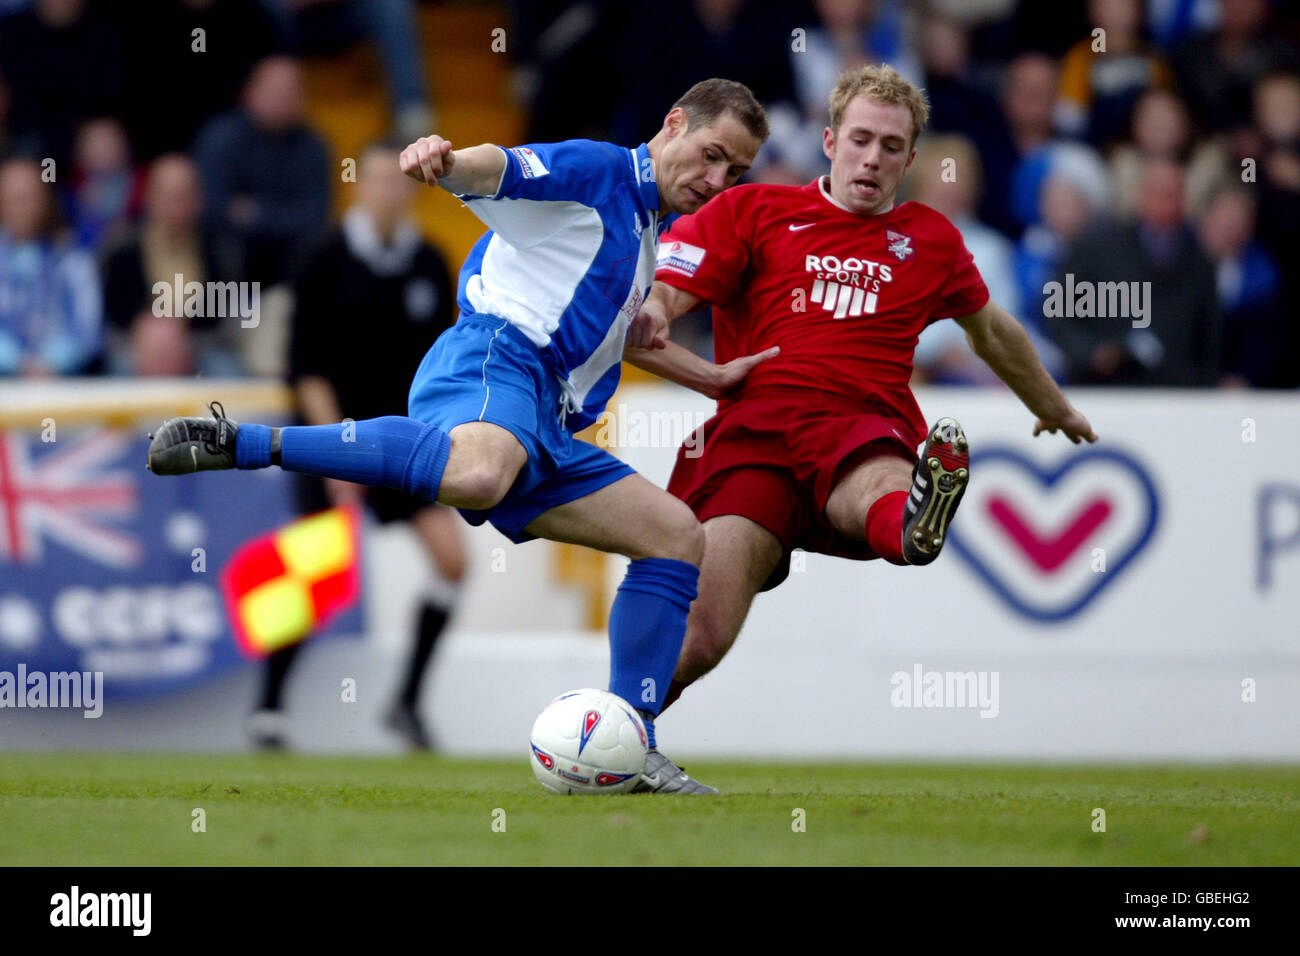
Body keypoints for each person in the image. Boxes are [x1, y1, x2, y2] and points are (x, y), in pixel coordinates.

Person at [146, 79, 768, 794]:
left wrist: (710, 379)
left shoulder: (644, 232)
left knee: (678, 535)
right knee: (475, 475)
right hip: (494, 357)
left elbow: (620, 335)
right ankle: (248, 444)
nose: (717, 180)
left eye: (736, 173)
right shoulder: (601, 171)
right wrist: (442, 159)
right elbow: (501, 167)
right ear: (674, 122)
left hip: (548, 420)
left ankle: (633, 739)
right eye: (713, 155)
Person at [623, 65, 1096, 788]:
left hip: (860, 423)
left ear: (911, 159)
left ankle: (913, 523)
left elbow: (991, 331)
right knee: (702, 633)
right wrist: (655, 314)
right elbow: (677, 283)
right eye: (861, 140)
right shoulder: (754, 210)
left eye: (891, 146)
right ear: (830, 141)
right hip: (757, 434)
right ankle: (616, 739)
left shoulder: (929, 240)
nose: (872, 159)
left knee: (882, 476)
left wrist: (1050, 403)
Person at [249, 139, 465, 750]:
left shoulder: (428, 259)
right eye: (377, 179)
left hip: (400, 443)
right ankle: (268, 708)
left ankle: (406, 704)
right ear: (359, 186)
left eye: (398, 180)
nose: (389, 191)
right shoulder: (321, 256)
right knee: (312, 573)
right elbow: (306, 365)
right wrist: (335, 451)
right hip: (328, 438)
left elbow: (439, 363)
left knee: (451, 562)